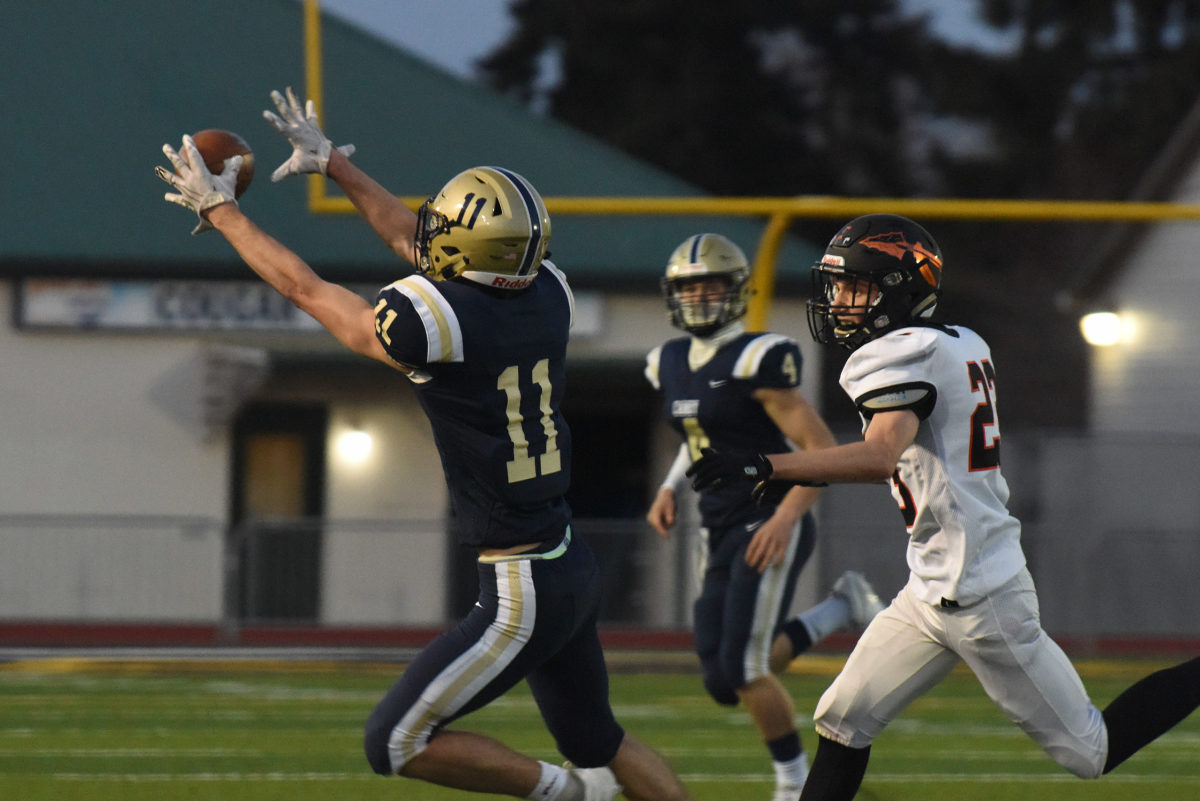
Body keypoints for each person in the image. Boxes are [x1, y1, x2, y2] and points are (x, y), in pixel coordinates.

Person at [155, 86, 692, 801]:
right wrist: (335, 165)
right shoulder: (549, 292)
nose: (429, 231)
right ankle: (594, 780)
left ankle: (576, 794)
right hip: (570, 559)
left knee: (395, 740)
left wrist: (222, 211)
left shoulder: (439, 321)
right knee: (600, 738)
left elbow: (311, 292)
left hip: (522, 585)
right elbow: (426, 246)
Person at [686, 213, 1200, 800]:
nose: (839, 301)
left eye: (855, 287)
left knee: (1091, 751)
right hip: (930, 588)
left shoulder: (902, 355)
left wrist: (767, 465)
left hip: (983, 596)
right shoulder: (958, 342)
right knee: (842, 720)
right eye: (838, 286)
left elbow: (880, 456)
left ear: (898, 290)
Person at [643, 233, 885, 801]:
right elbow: (700, 437)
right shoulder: (667, 361)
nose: (700, 296)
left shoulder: (757, 358)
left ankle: (793, 781)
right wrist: (668, 486)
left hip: (768, 513)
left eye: (711, 284)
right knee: (721, 678)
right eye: (689, 287)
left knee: (745, 669)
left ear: (735, 290)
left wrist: (786, 517)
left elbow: (820, 448)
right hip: (717, 521)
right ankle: (840, 608)